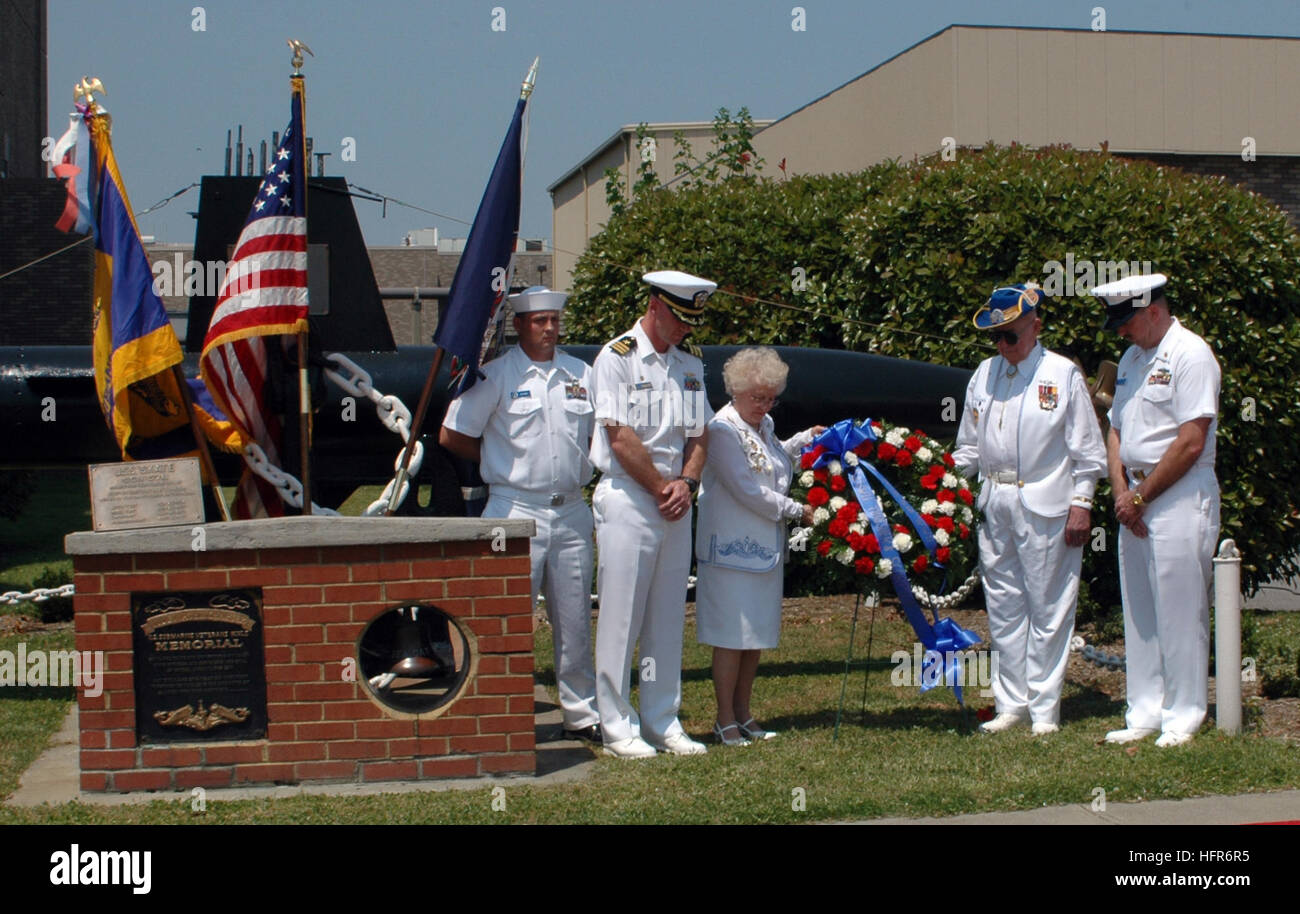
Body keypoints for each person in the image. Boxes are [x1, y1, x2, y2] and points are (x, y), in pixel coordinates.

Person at [439, 286, 600, 743]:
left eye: (553, 320)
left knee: (574, 620)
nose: (549, 329)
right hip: (513, 508)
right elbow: (453, 435)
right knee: (506, 617)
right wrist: (498, 460)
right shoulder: (496, 376)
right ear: (519, 325)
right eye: (538, 321)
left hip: (570, 510)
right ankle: (498, 711)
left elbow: (595, 437)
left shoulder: (580, 374)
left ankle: (580, 712)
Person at [953, 283, 1107, 735]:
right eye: (996, 337)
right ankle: (1011, 704)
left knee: (1049, 607)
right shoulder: (984, 373)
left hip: (1045, 503)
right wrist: (937, 481)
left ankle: (1044, 709)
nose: (1002, 345)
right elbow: (967, 447)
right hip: (994, 502)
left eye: (1011, 336)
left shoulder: (1062, 375)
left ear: (1035, 327)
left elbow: (1088, 453)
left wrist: (1082, 504)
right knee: (1003, 605)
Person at [588, 270, 715, 759]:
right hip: (630, 497)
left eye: (691, 322)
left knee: (665, 618)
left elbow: (699, 433)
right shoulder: (616, 357)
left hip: (675, 498)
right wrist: (666, 486)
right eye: (680, 319)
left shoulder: (690, 363)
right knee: (621, 618)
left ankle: (663, 718)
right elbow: (619, 437)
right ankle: (617, 724)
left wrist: (688, 482)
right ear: (655, 306)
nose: (685, 329)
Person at [1093, 273, 1220, 748]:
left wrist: (1141, 498)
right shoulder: (1131, 357)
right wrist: (1122, 490)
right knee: (1141, 611)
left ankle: (1184, 714)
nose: (1121, 331)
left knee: (1180, 609)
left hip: (1181, 496)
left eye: (1126, 321)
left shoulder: (1191, 354)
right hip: (1136, 499)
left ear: (1154, 311)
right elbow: (1116, 430)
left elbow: (1190, 442)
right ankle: (1144, 711)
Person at [694, 348, 822, 746]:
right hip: (730, 550)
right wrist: (799, 511)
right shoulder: (721, 430)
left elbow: (775, 462)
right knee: (731, 637)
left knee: (756, 637)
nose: (764, 405)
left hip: (764, 550)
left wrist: (804, 440)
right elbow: (747, 490)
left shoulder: (763, 424)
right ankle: (723, 718)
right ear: (735, 391)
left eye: (770, 398)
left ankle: (745, 713)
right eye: (757, 398)